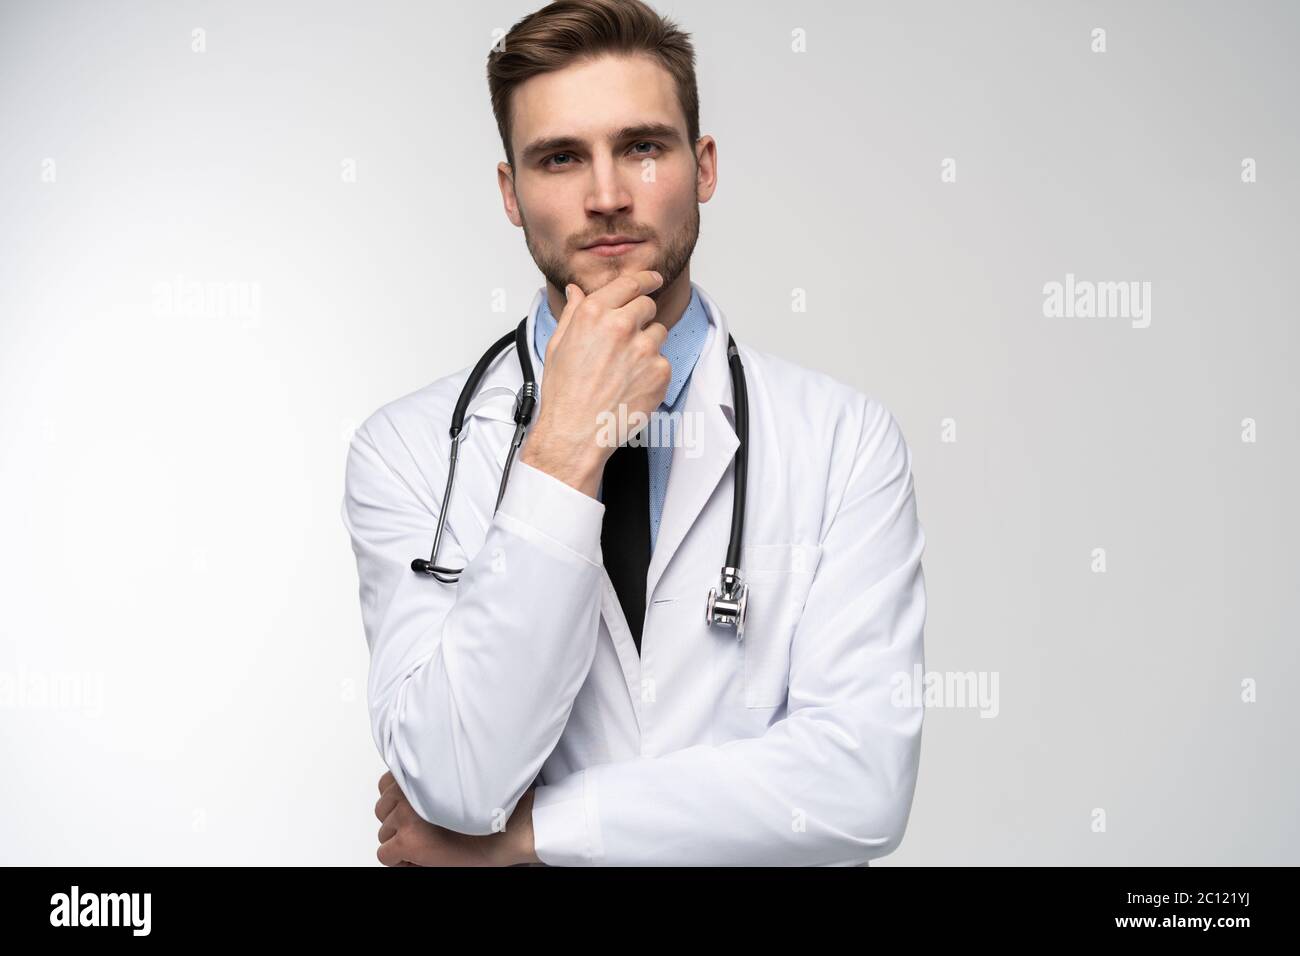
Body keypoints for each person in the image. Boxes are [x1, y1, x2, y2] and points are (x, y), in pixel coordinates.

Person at [342, 0, 927, 867]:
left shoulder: (843, 442)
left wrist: (535, 835)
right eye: (560, 157)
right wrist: (563, 444)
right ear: (511, 192)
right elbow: (457, 778)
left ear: (705, 166)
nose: (607, 196)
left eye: (643, 147)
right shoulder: (408, 450)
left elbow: (859, 784)